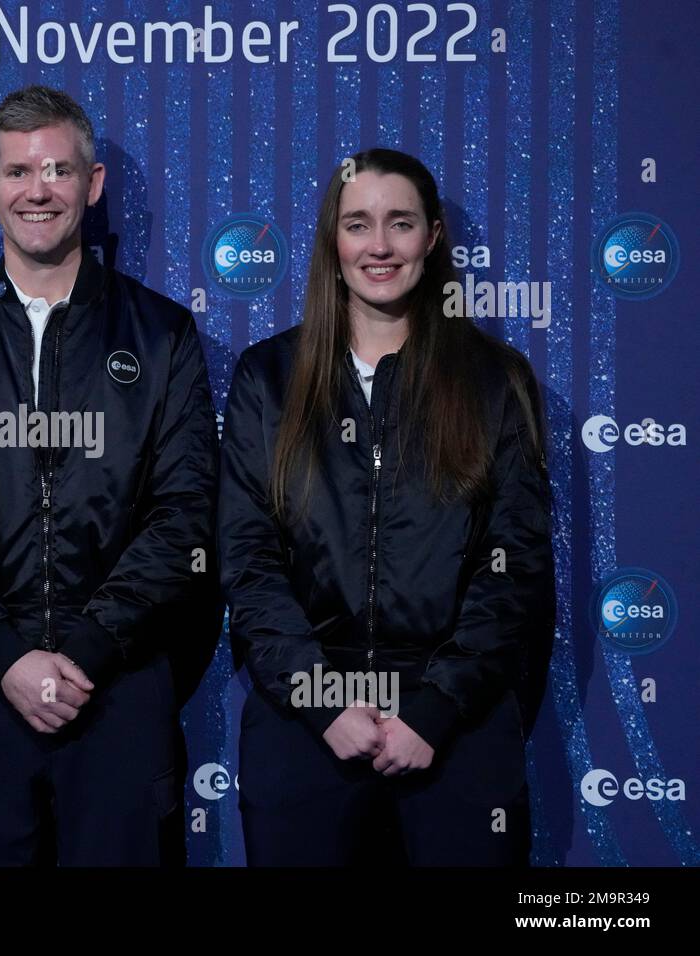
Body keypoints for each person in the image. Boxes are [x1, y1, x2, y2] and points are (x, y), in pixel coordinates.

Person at [0, 85, 222, 866]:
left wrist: (89, 650)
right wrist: (6, 656)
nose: (39, 189)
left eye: (59, 170)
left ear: (92, 185)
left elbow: (182, 513)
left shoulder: (163, 334)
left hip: (120, 684)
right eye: (19, 171)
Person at [219, 148, 554, 866]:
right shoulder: (268, 378)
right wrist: (322, 699)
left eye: (400, 224)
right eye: (358, 224)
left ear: (432, 239)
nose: (379, 245)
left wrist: (434, 710)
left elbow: (514, 569)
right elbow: (247, 561)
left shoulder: (495, 380)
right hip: (305, 727)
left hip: (454, 728)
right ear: (332, 240)